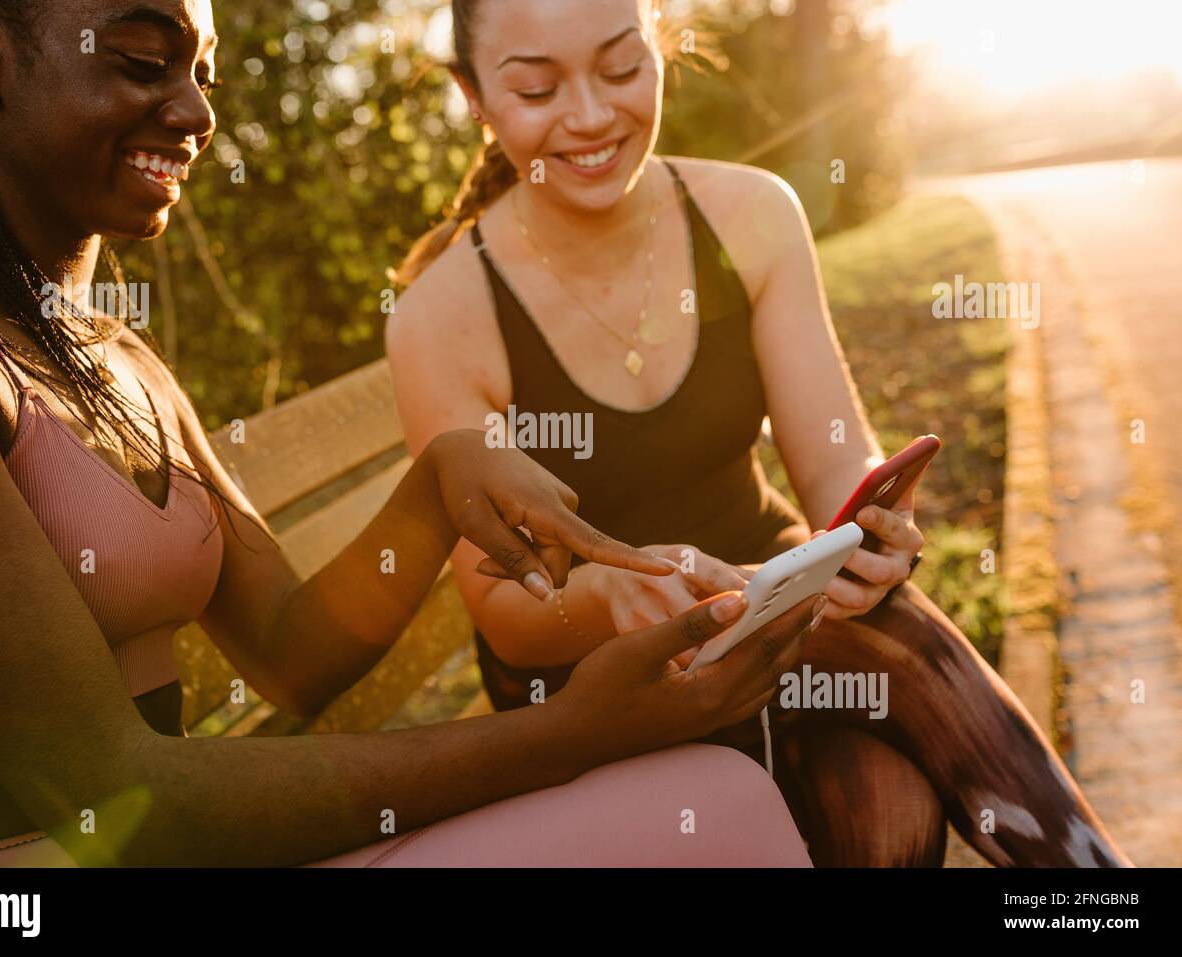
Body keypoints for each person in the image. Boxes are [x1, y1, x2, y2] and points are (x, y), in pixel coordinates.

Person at [0, 0, 818, 868]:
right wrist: (578, 729)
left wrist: (437, 482)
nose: (196, 113)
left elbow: (293, 657)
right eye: (143, 62)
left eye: (205, 75)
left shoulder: (122, 362)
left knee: (714, 794)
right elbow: (112, 795)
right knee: (714, 804)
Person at [386, 0, 1132, 866]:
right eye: (536, 88)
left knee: (892, 805)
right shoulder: (442, 312)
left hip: (779, 608)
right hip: (596, 675)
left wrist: (873, 533)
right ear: (475, 96)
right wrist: (609, 591)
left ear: (662, 46)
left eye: (623, 69)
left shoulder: (751, 213)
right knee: (893, 655)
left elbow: (833, 457)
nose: (590, 116)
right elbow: (508, 614)